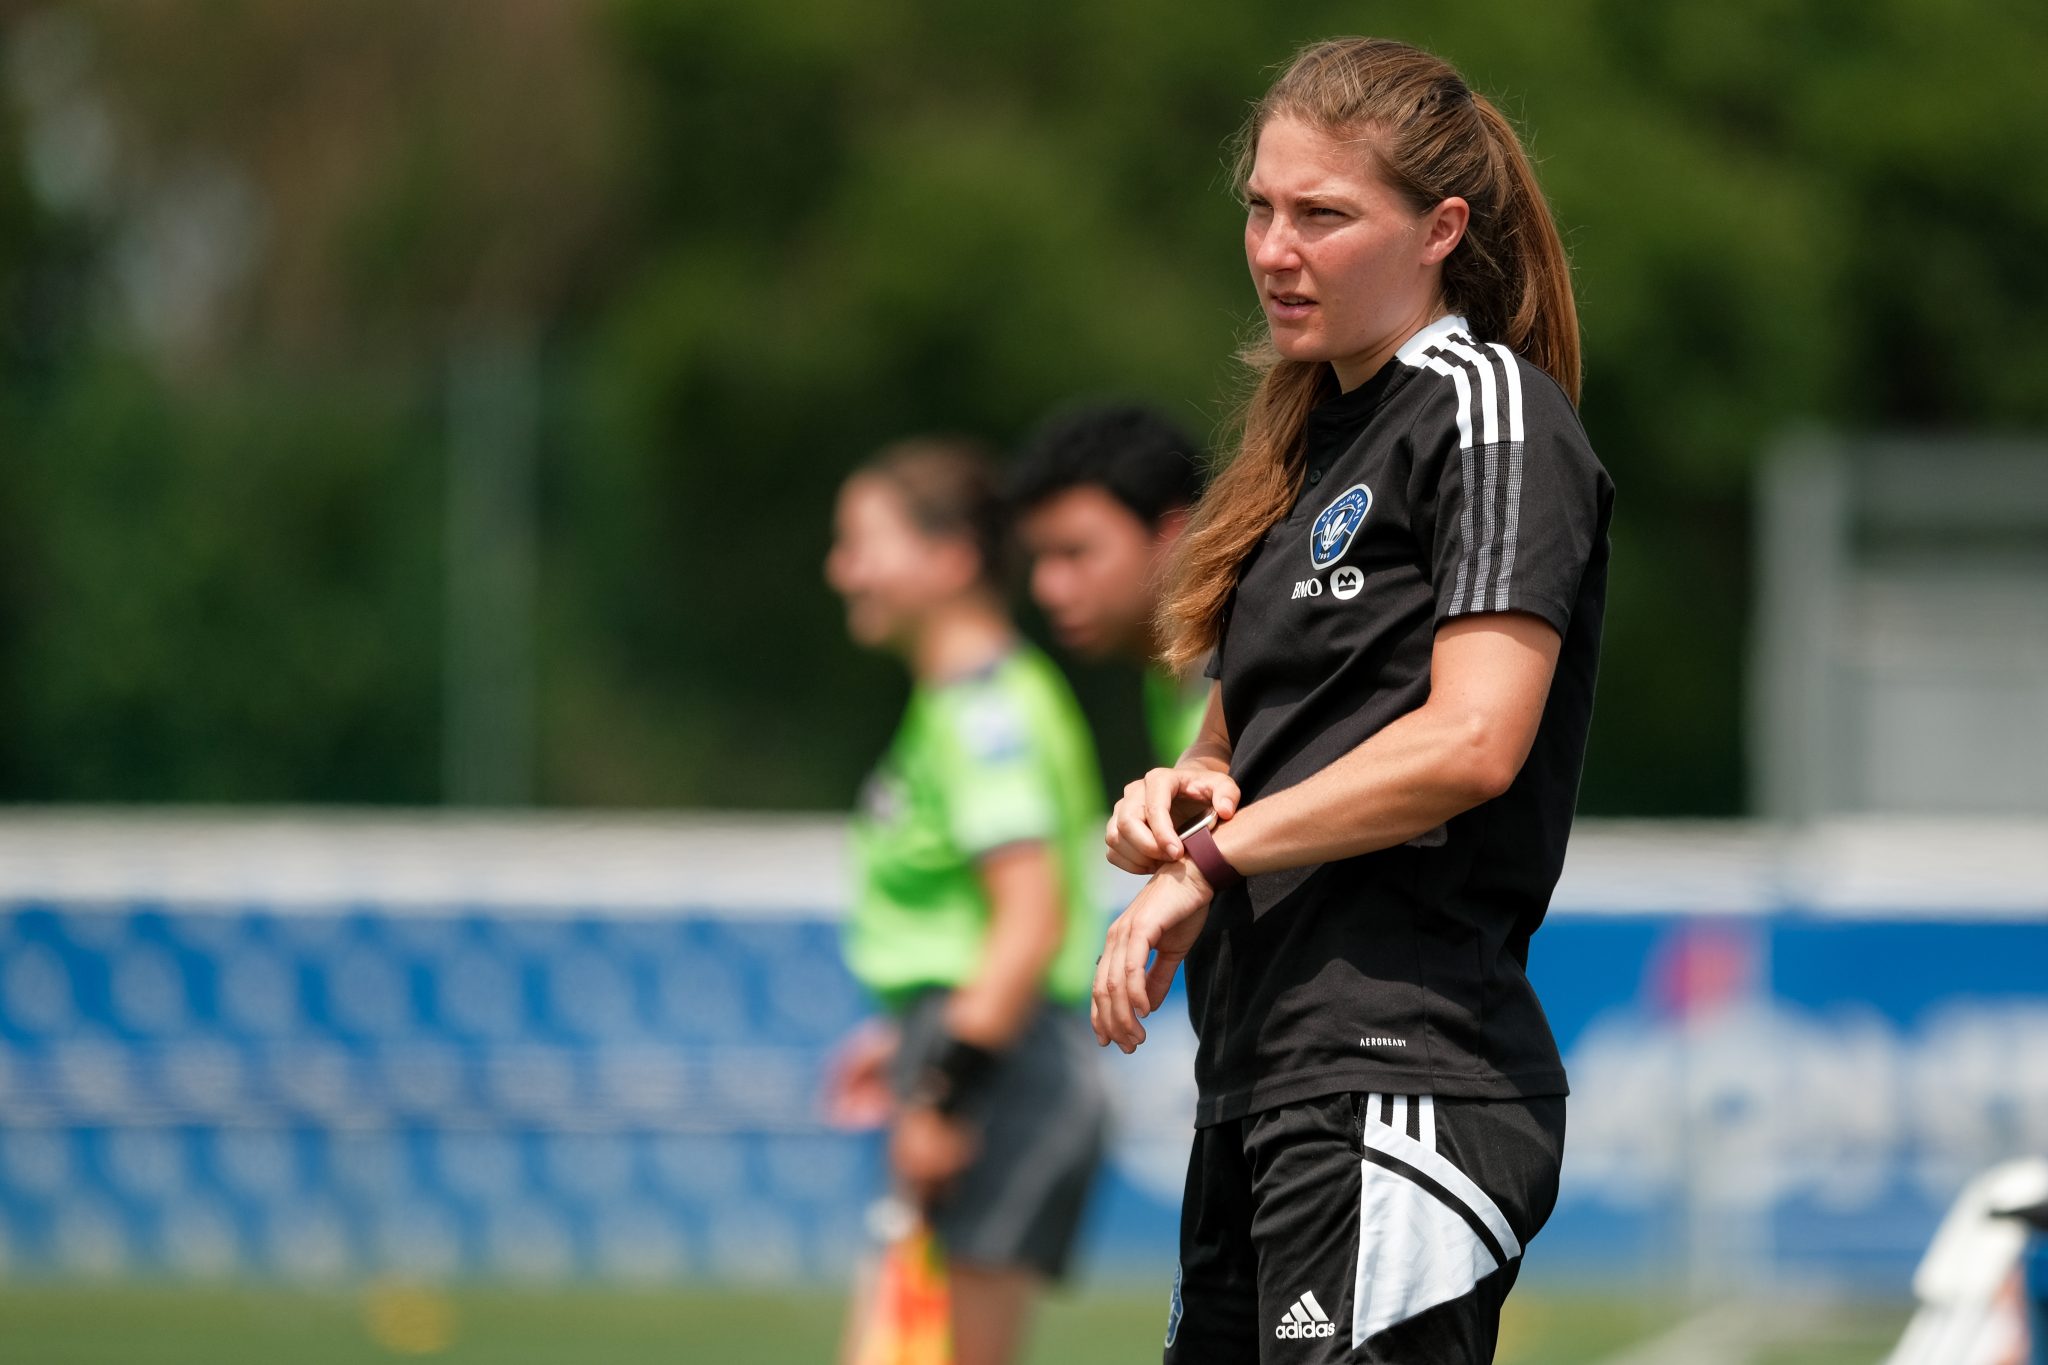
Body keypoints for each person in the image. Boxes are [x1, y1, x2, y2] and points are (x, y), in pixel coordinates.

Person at [1090, 37, 1614, 1365]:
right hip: (1263, 1076)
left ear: (1442, 230)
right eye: (1261, 208)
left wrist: (1212, 855)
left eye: (1324, 215)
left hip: (1403, 1069)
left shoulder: (1491, 412)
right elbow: (1237, 749)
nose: (1276, 247)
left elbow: (1473, 740)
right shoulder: (1301, 445)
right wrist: (1178, 796)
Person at [822, 437, 1110, 1365]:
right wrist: (906, 1032)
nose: (842, 569)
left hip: (998, 1071)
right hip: (969, 1050)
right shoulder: (955, 706)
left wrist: (946, 1087)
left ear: (950, 560)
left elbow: (1028, 923)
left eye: (862, 541)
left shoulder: (988, 715)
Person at [1009, 403, 1211, 766]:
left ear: (1173, 529)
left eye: (1075, 552)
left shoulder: (1256, 674)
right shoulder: (1165, 677)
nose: (1046, 588)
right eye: (1038, 558)